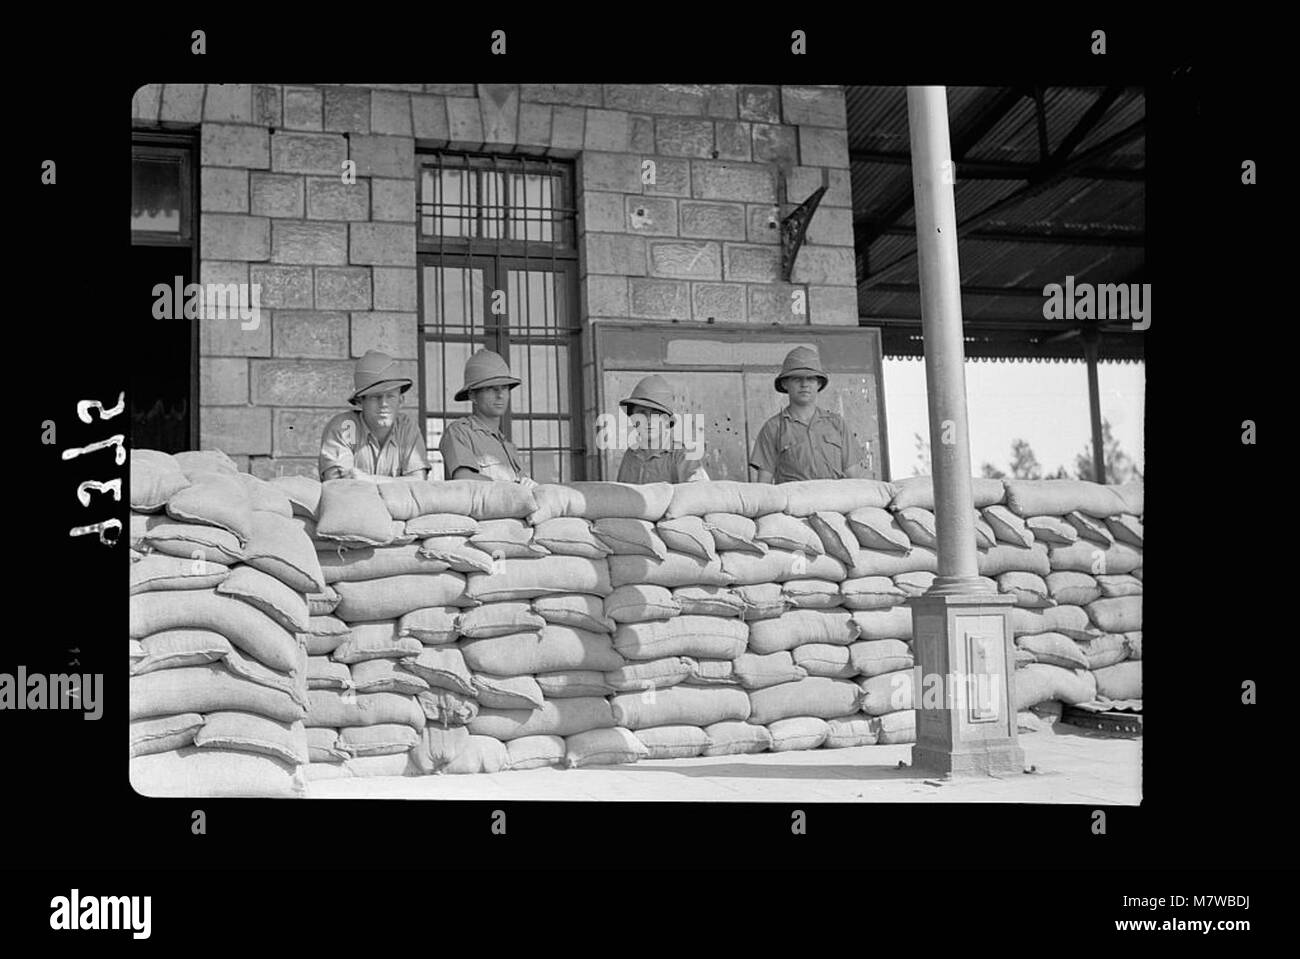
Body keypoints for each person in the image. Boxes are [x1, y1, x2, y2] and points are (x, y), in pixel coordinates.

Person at [749, 346, 871, 483]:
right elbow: (763, 484)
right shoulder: (773, 428)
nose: (804, 384)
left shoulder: (837, 424)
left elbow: (854, 479)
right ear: (785, 384)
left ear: (819, 384)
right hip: (794, 501)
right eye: (797, 379)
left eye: (811, 379)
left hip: (836, 500)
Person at [319, 350, 429, 482]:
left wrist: (368, 480)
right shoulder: (345, 427)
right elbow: (339, 486)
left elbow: (419, 483)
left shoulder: (407, 428)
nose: (384, 404)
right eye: (375, 397)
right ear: (360, 402)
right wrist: (398, 484)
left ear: (401, 401)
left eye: (390, 396)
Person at [440, 349, 535, 487]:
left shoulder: (507, 446)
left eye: (504, 388)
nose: (500, 395)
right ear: (472, 395)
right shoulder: (460, 432)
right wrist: (512, 486)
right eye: (491, 388)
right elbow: (463, 478)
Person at [614, 374, 709, 484]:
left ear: (667, 421)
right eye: (642, 413)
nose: (648, 420)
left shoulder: (682, 455)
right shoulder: (631, 456)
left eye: (656, 414)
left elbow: (700, 494)